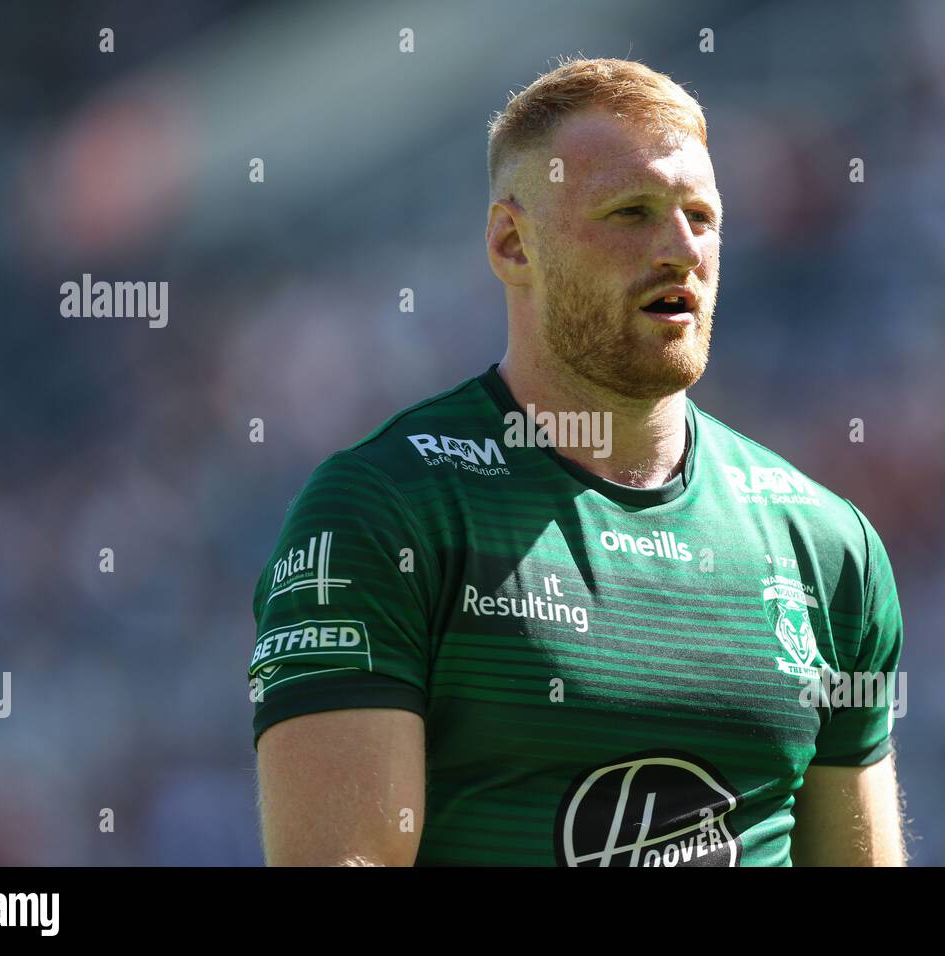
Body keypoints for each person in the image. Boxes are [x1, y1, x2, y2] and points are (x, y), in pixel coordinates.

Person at [251, 56, 906, 866]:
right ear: (510, 243)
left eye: (700, 217)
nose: (679, 250)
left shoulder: (825, 545)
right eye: (630, 213)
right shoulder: (385, 511)